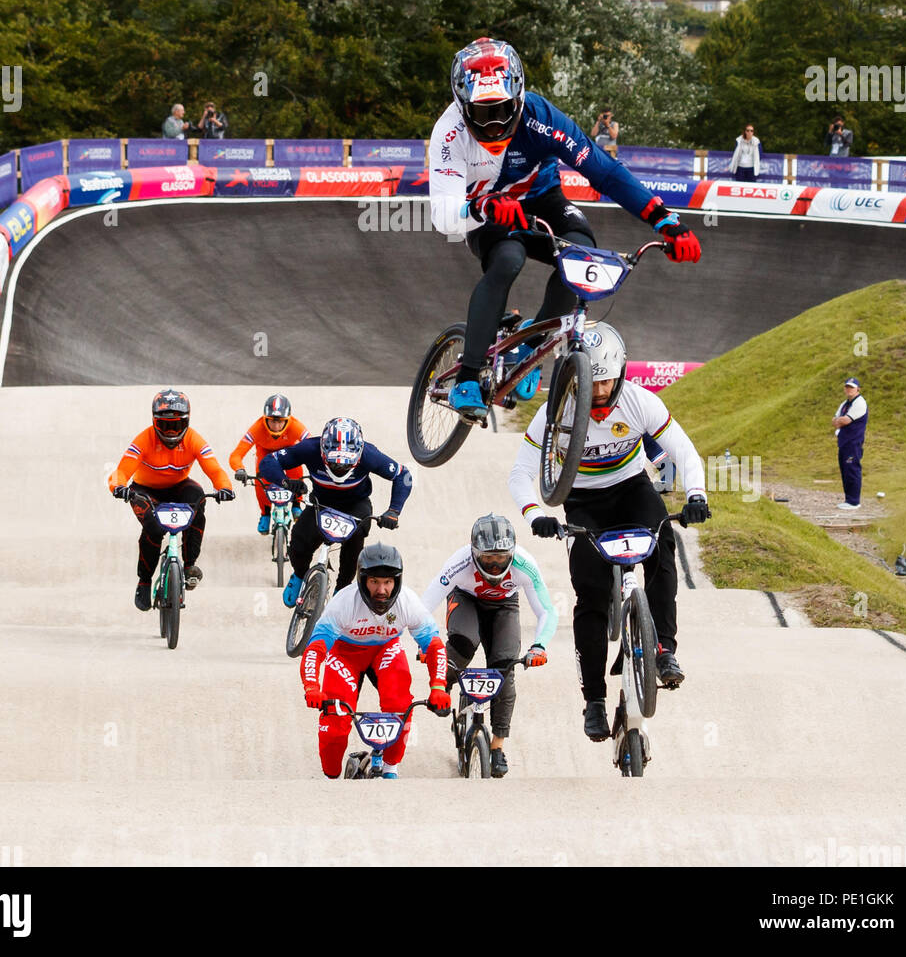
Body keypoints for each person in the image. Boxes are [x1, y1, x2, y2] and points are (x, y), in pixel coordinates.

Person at [429, 37, 701, 418]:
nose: (493, 125)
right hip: (487, 211)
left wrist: (665, 220)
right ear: (462, 106)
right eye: (482, 112)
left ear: (519, 97)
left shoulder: (544, 119)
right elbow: (442, 214)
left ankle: (530, 344)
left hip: (542, 200)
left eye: (503, 110)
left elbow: (604, 172)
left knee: (581, 257)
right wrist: (485, 205)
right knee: (508, 259)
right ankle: (468, 378)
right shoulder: (450, 133)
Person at [507, 322, 710, 743]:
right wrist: (534, 516)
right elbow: (522, 474)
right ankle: (595, 700)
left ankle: (665, 649)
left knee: (663, 542)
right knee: (592, 596)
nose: (598, 393)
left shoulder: (639, 401)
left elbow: (684, 450)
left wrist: (696, 495)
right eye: (589, 383)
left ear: (620, 375)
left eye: (606, 382)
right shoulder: (554, 412)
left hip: (632, 487)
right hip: (582, 499)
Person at [420, 513, 557, 778]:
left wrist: (539, 646)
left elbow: (547, 611)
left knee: (505, 667)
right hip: (466, 599)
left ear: (512, 553)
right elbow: (424, 605)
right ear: (473, 553)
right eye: (487, 559)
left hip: (504, 605)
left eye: (501, 558)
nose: (495, 566)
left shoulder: (525, 564)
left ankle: (497, 747)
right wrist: (426, 644)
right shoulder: (458, 563)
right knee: (462, 644)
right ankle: (443, 686)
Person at [301, 543, 451, 779]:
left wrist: (438, 687)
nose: (382, 590)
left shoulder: (407, 601)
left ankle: (390, 766)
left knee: (400, 703)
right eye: (374, 582)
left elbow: (434, 647)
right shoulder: (343, 602)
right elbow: (316, 649)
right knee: (335, 724)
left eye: (388, 582)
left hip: (385, 649)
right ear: (362, 580)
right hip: (345, 654)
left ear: (397, 582)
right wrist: (311, 686)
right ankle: (331, 779)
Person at [258, 416, 413, 607]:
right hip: (322, 501)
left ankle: (342, 588)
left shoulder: (369, 454)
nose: (339, 468)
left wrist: (393, 511)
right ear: (323, 451)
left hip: (356, 503)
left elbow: (403, 475)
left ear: (358, 455)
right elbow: (267, 462)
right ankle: (299, 574)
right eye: (334, 463)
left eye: (346, 464)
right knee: (299, 540)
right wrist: (286, 482)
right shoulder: (309, 448)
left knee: (355, 542)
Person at [109, 389, 235, 609]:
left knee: (198, 499)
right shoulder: (143, 439)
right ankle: (145, 581)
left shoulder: (195, 439)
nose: (170, 431)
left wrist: (224, 488)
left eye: (176, 425)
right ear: (154, 422)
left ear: (186, 422)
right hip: (145, 490)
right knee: (154, 528)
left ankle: (189, 566)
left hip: (178, 487)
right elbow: (121, 471)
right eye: (164, 425)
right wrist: (118, 486)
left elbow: (215, 470)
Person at [230, 394, 310, 534]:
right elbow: (236, 454)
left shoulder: (296, 426)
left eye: (281, 421)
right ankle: (265, 513)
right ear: (265, 418)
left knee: (296, 469)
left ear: (288, 420)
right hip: (265, 452)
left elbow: (312, 447)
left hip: (288, 451)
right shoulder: (256, 428)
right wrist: (240, 469)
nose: (276, 426)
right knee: (261, 478)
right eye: (272, 421)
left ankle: (296, 504)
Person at [832, 377, 868, 509]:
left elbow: (845, 420)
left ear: (858, 389)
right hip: (844, 442)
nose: (849, 390)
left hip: (853, 442)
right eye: (847, 387)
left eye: (852, 387)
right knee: (845, 470)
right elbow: (834, 420)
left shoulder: (860, 403)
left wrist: (839, 420)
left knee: (852, 469)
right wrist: (838, 420)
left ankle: (854, 501)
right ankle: (848, 499)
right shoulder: (845, 404)